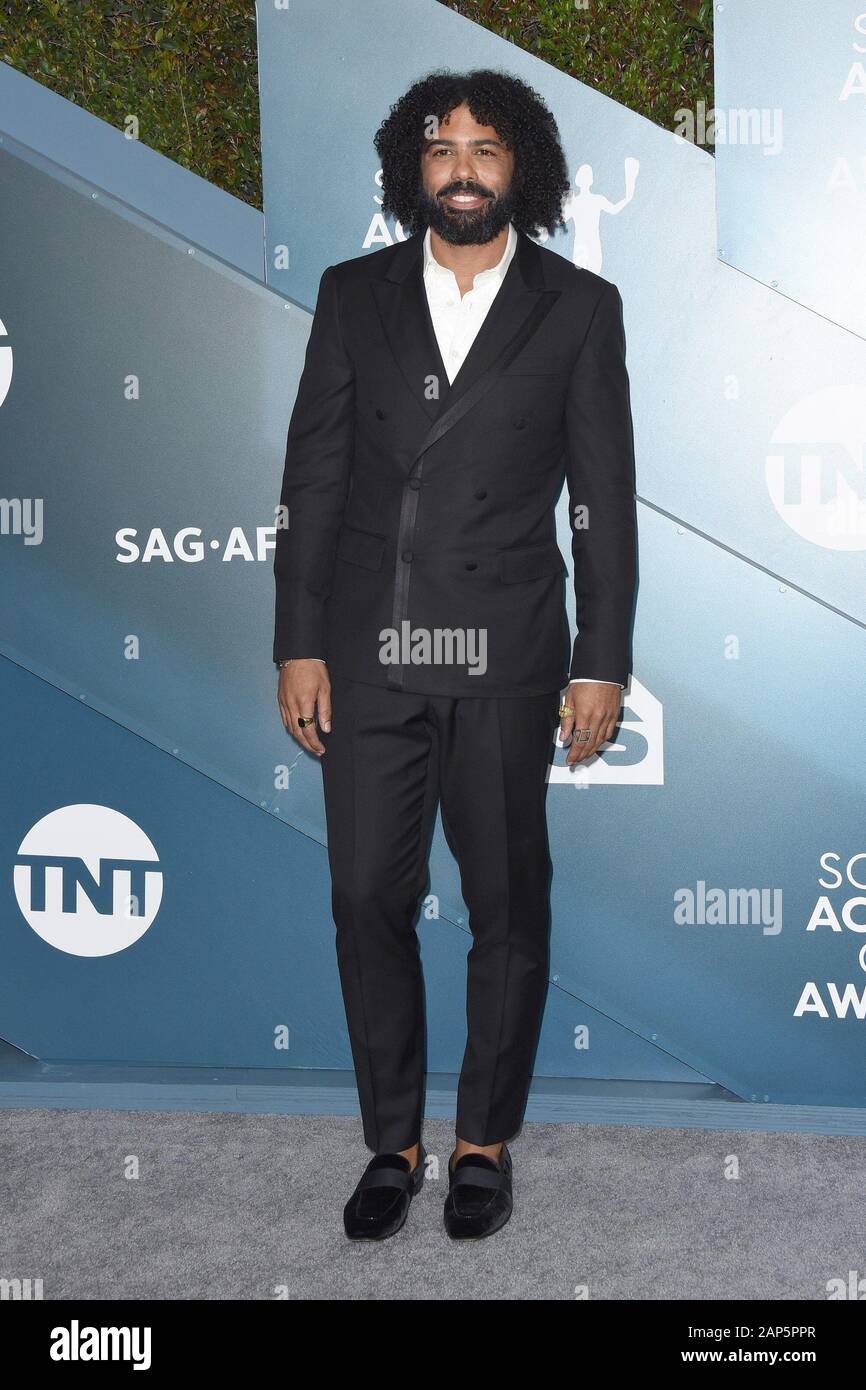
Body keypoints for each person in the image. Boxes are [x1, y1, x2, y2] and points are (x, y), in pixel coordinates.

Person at [273, 68, 637, 1241]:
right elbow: (314, 480)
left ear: (517, 167)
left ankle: (480, 1139)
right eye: (441, 150)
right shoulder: (349, 294)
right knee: (363, 895)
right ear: (408, 171)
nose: (463, 167)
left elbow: (602, 503)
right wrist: (296, 641)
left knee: (505, 900)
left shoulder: (577, 307)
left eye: (485, 148)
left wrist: (601, 658)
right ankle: (394, 1140)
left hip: (506, 649)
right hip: (367, 651)